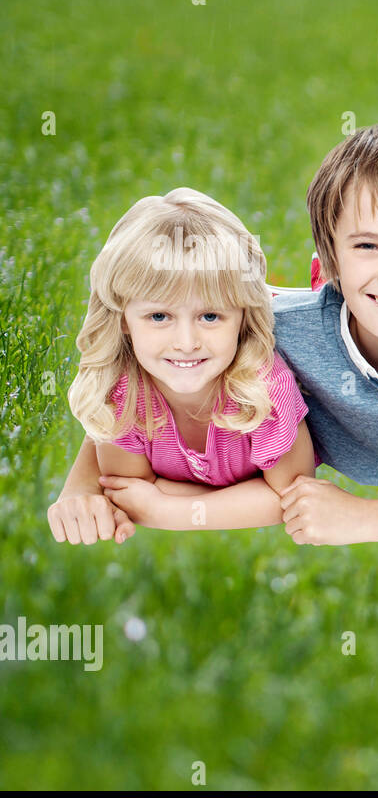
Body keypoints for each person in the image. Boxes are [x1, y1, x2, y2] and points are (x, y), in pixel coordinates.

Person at [52, 121, 378, 545]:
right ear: (328, 258)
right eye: (367, 245)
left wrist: (367, 519)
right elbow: (151, 361)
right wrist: (81, 488)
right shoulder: (270, 330)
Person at [48, 188, 315, 542]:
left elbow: (294, 499)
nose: (186, 343)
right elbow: (128, 491)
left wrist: (168, 510)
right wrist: (247, 500)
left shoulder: (264, 388)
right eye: (159, 316)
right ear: (123, 318)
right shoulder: (121, 393)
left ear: (243, 316)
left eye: (210, 315)